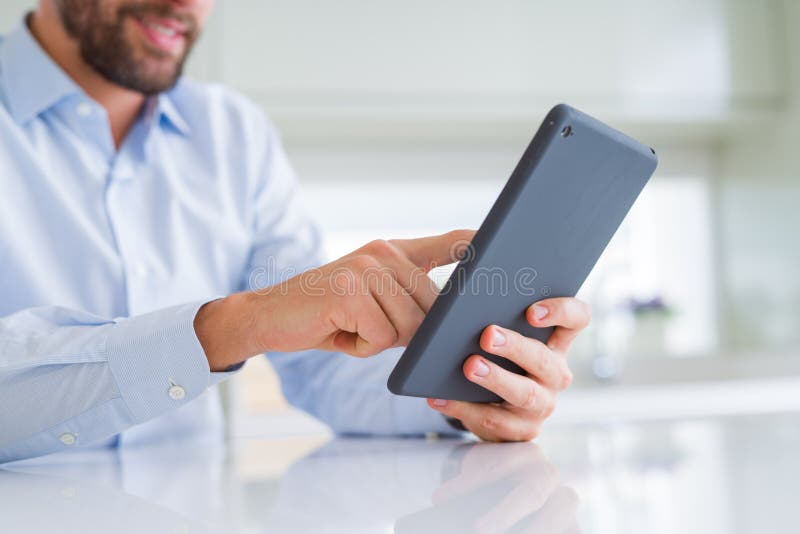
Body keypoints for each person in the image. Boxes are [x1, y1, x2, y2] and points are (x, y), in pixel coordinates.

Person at [0, 0, 591, 464]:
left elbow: (323, 363)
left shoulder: (234, 134)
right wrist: (236, 324)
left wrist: (462, 389)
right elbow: (260, 319)